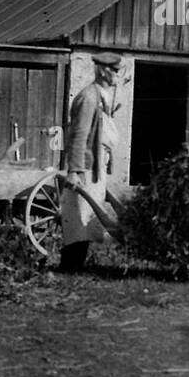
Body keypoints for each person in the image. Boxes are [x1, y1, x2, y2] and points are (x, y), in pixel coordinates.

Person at [58, 52, 122, 273]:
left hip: (96, 166)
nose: (117, 75)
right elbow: (78, 135)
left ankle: (75, 267)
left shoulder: (101, 96)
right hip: (85, 166)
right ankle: (69, 267)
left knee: (86, 217)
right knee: (78, 218)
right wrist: (74, 171)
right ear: (103, 71)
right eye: (114, 71)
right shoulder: (89, 97)